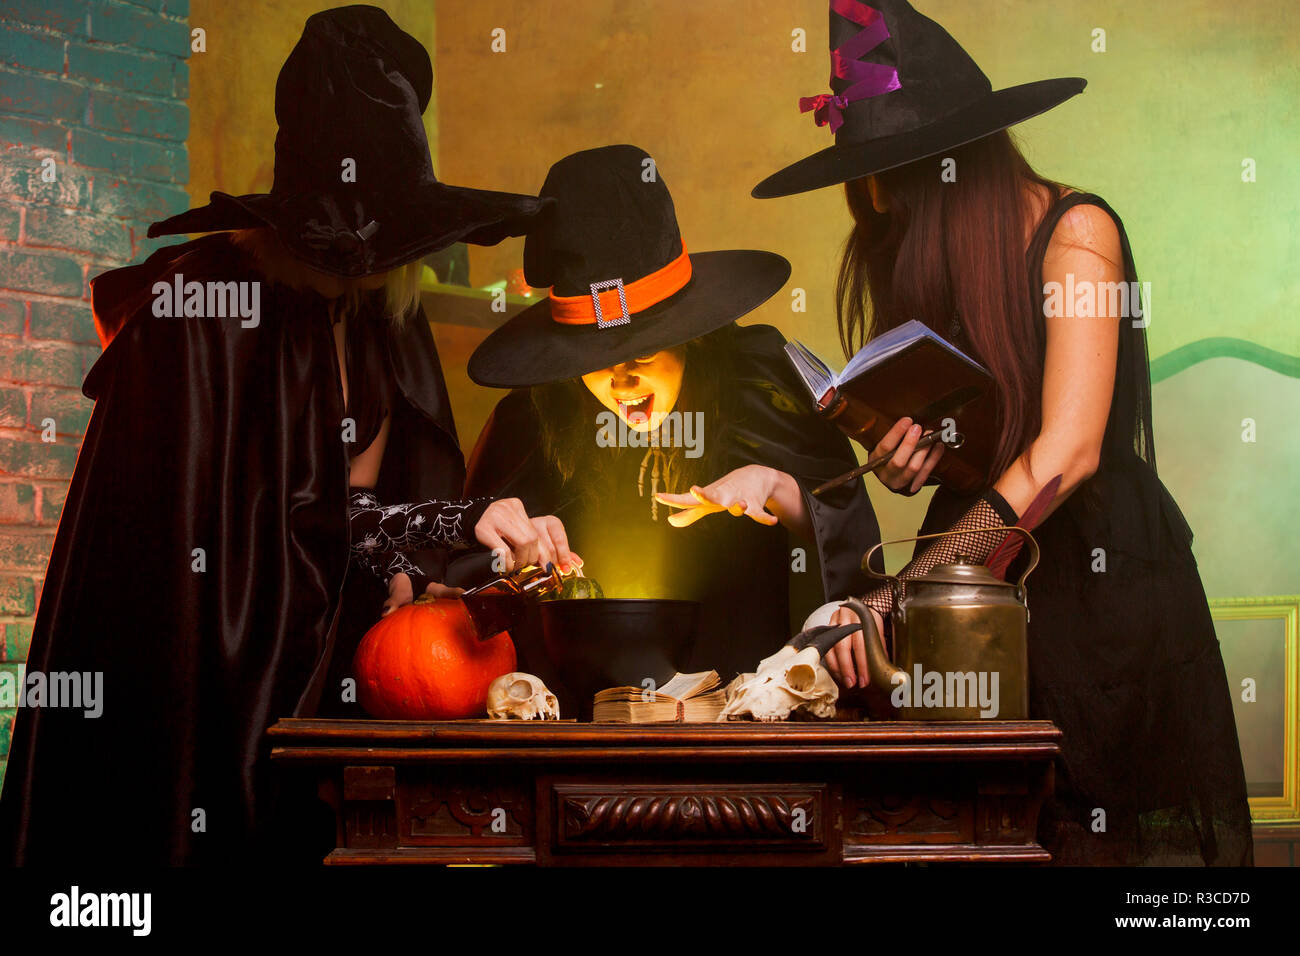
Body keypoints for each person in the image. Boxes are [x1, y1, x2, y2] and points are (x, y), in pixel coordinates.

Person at [0, 6, 569, 865]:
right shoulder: (199, 317)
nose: (366, 264)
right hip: (209, 705)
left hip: (337, 710)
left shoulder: (387, 318)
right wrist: (432, 528)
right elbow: (216, 570)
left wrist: (462, 533)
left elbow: (356, 520)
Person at [688, 0, 1253, 865]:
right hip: (977, 580)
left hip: (1094, 582)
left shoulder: (1079, 234)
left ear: (957, 166)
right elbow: (987, 444)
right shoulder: (919, 247)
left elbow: (1066, 453)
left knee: (1104, 847)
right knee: (974, 829)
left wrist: (894, 593)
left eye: (895, 180)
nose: (879, 206)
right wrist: (918, 458)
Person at [464, 145, 881, 682]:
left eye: (642, 354)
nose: (622, 382)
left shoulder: (757, 382)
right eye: (597, 363)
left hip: (750, 702)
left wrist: (774, 484)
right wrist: (519, 564)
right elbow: (470, 594)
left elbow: (851, 547)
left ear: (688, 338)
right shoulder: (533, 418)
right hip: (587, 710)